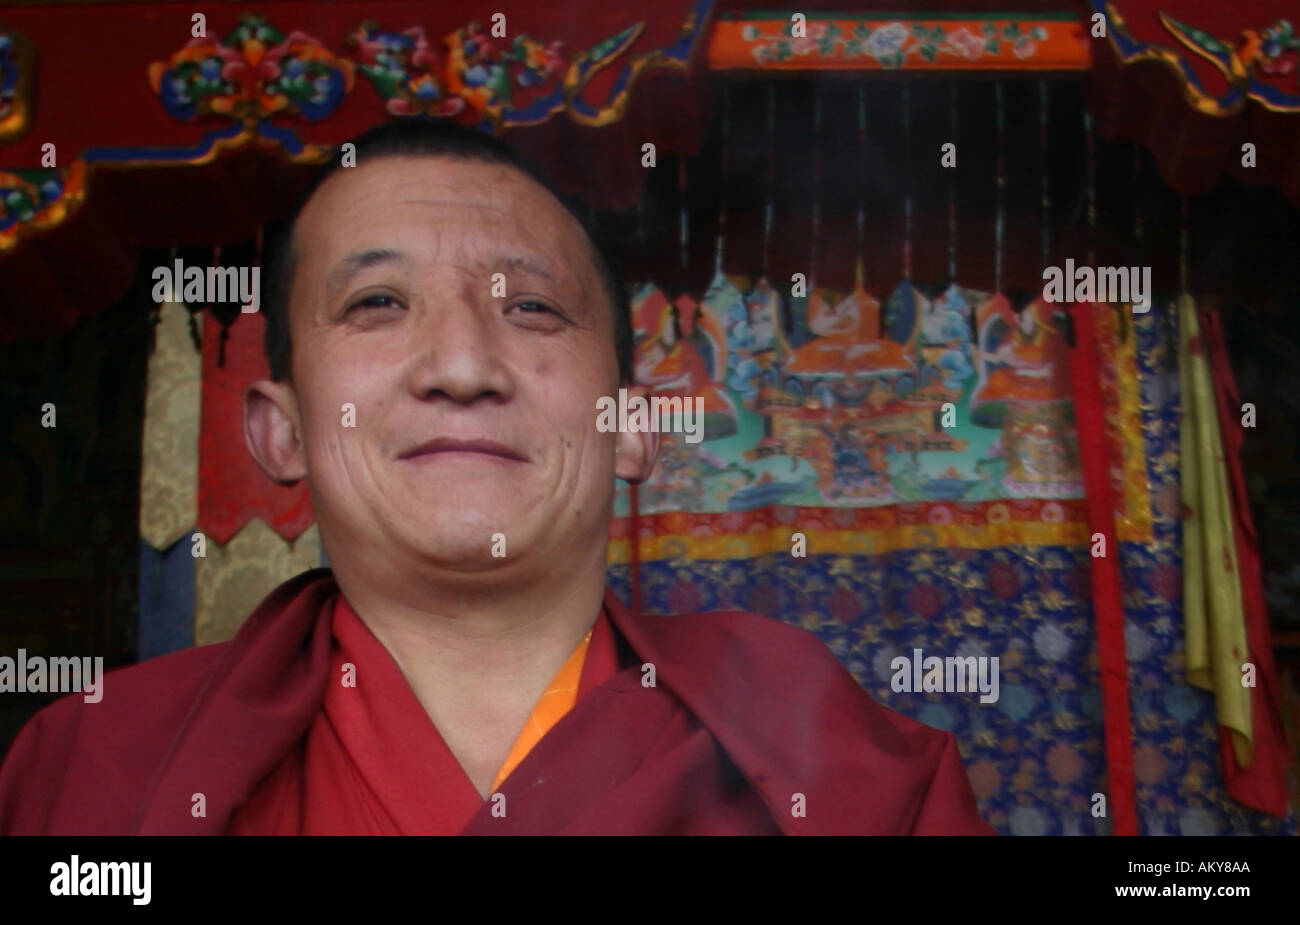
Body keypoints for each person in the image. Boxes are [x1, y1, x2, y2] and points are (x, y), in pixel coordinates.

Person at [0, 120, 993, 835]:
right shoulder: (93, 766)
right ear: (281, 430)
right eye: (378, 301)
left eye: (533, 311)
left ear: (633, 426)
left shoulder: (842, 765)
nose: (463, 366)